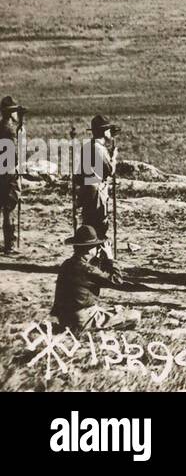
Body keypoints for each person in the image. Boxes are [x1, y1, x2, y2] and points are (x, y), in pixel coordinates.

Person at [50, 225, 137, 334]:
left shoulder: (67, 264)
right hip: (82, 319)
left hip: (63, 318)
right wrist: (110, 258)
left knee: (114, 310)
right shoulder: (88, 269)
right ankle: (96, 327)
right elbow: (117, 280)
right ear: (91, 249)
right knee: (134, 315)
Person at [74, 115, 119, 263]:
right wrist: (114, 158)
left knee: (88, 224)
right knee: (100, 224)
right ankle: (99, 259)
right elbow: (110, 170)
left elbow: (79, 174)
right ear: (104, 132)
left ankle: (88, 255)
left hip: (86, 189)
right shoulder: (99, 149)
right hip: (97, 190)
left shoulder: (87, 146)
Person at [0, 96, 23, 254]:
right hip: (8, 172)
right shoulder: (10, 130)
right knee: (9, 207)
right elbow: (14, 155)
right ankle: (10, 245)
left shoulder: (1, 127)